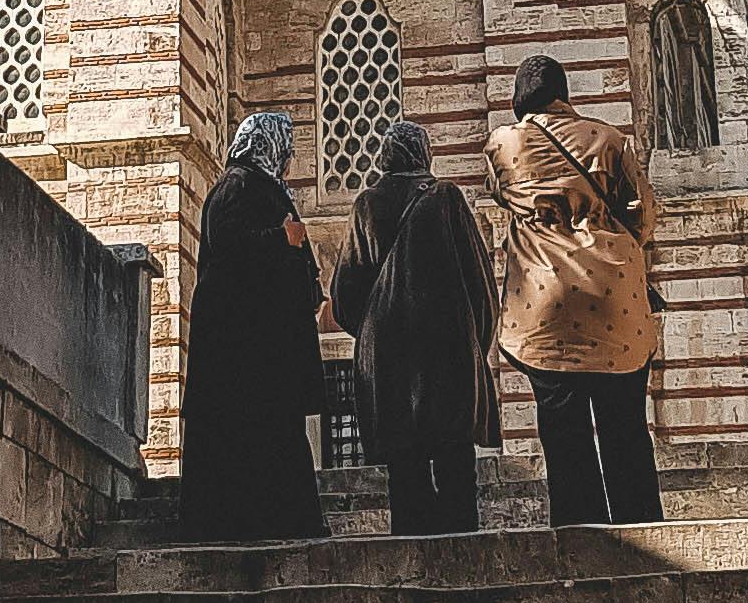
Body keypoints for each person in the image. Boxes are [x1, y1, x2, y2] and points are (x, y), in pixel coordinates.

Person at [484, 54, 663, 525]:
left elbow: (501, 192)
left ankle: (581, 539)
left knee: (564, 435)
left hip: (545, 308)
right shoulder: (609, 139)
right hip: (617, 302)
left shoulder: (504, 144)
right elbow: (643, 214)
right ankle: (641, 529)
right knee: (625, 426)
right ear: (564, 94)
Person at [327, 120, 499, 536]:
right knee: (456, 464)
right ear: (424, 154)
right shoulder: (446, 198)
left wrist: (375, 333)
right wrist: (475, 340)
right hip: (448, 353)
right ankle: (463, 562)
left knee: (405, 472)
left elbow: (345, 295)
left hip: (390, 360)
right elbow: (480, 283)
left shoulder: (367, 204)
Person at [176, 110, 329, 543]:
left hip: (260, 348)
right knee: (249, 433)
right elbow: (230, 251)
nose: (291, 159)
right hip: (242, 350)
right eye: (287, 149)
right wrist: (283, 240)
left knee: (271, 432)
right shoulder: (237, 187)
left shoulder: (262, 189)